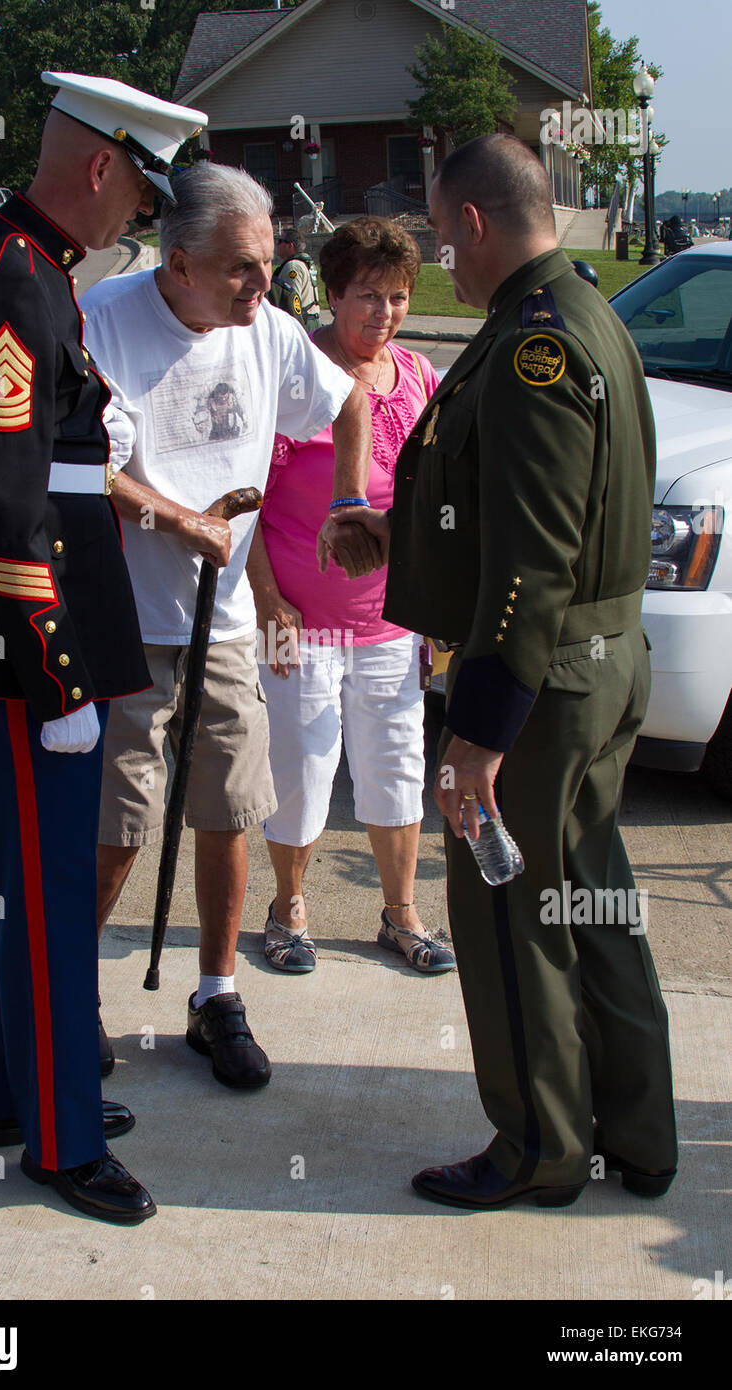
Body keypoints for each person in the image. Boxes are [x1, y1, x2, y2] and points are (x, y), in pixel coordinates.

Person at [336, 134, 677, 1210]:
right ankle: (637, 1131)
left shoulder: (531, 343)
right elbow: (524, 507)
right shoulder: (584, 317)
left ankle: (536, 1147)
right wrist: (401, 535)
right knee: (588, 899)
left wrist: (480, 733)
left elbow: (532, 557)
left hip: (535, 682)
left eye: (443, 236)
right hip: (598, 664)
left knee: (506, 917)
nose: (442, 258)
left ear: (476, 221)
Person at [0, 70, 207, 1224]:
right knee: (41, 896)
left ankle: (9, 1096)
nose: (141, 212)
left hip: (28, 642)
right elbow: (4, 502)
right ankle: (59, 1138)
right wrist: (56, 675)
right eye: (139, 186)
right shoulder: (11, 283)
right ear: (99, 165)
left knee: (16, 885)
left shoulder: (35, 271)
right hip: (22, 651)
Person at [81, 162, 373, 1089]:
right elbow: (81, 462)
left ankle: (216, 993)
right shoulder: (105, 322)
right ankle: (68, 994)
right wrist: (178, 519)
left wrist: (352, 500)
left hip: (228, 624)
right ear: (178, 262)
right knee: (119, 819)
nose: (263, 286)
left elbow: (351, 401)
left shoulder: (272, 333)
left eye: (271, 263)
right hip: (126, 622)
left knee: (231, 807)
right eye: (242, 268)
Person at [246, 217, 455, 977]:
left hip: (389, 624)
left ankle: (401, 914)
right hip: (294, 622)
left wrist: (431, 608)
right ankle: (287, 910)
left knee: (398, 765)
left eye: (398, 296)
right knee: (301, 768)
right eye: (368, 294)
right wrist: (269, 604)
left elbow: (438, 500)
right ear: (333, 294)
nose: (384, 313)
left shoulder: (421, 378)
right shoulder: (296, 380)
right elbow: (245, 507)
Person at [271, 225, 321, 331]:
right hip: (311, 321)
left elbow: (291, 301)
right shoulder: (305, 263)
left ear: (290, 245)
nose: (277, 245)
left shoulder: (293, 267)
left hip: (303, 323)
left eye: (280, 241)